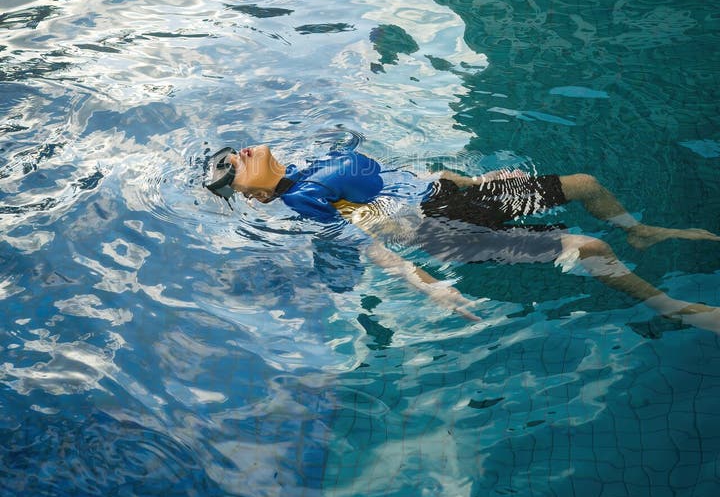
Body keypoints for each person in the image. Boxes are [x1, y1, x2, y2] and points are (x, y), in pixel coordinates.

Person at [204, 144, 720, 333]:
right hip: (445, 233)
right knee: (591, 249)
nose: (237, 157)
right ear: (253, 197)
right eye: (229, 170)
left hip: (454, 199)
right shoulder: (302, 199)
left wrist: (476, 181)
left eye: (234, 152)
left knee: (584, 185)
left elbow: (399, 175)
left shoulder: (311, 166)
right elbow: (371, 244)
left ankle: (642, 232)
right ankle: (672, 307)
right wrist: (430, 287)